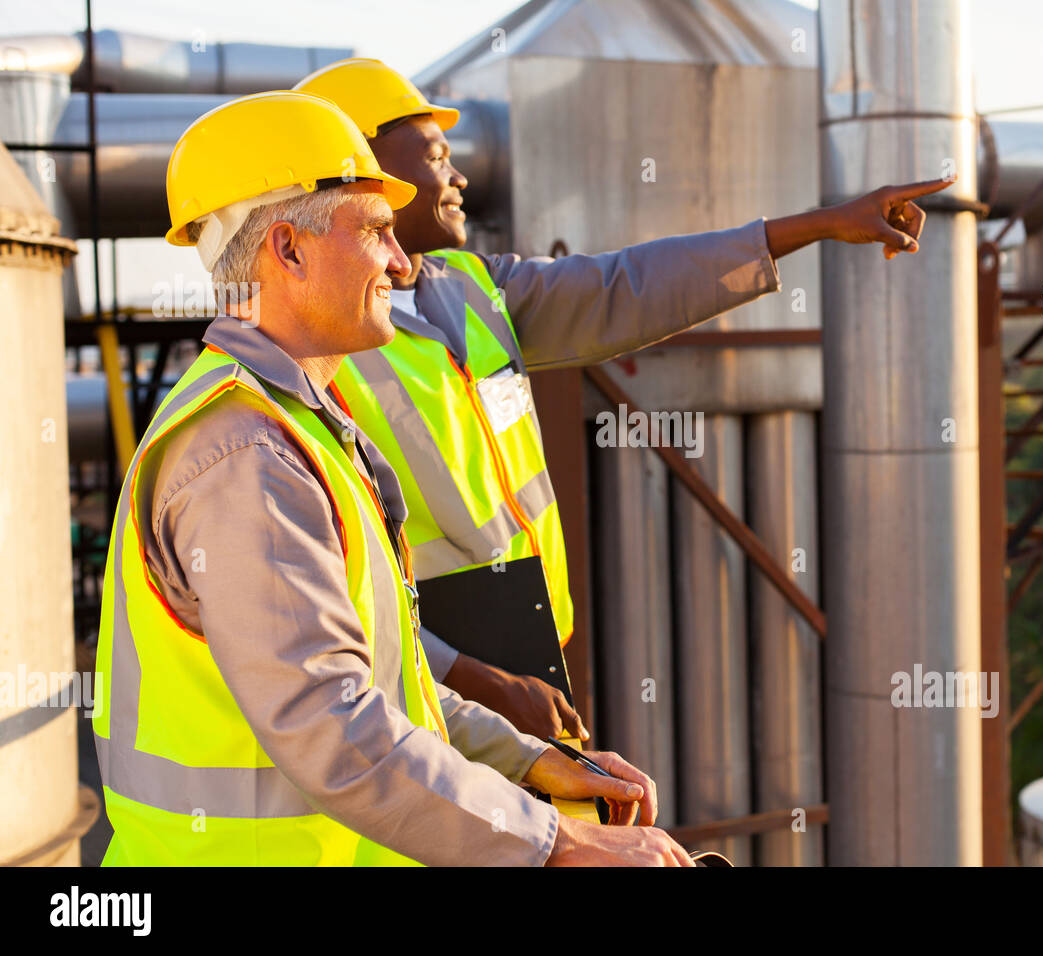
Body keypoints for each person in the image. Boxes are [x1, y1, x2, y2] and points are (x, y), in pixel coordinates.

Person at [93, 89, 691, 866]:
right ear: (290, 250)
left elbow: (381, 677)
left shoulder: (300, 428)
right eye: (376, 231)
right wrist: (560, 842)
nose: (402, 261)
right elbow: (333, 727)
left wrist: (525, 757)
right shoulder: (245, 458)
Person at [294, 59, 952, 741]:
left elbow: (628, 285)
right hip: (418, 686)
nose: (459, 178)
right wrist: (467, 676)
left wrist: (820, 224)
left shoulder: (471, 287)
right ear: (366, 173)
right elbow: (327, 588)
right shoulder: (320, 349)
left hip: (524, 652)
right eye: (436, 158)